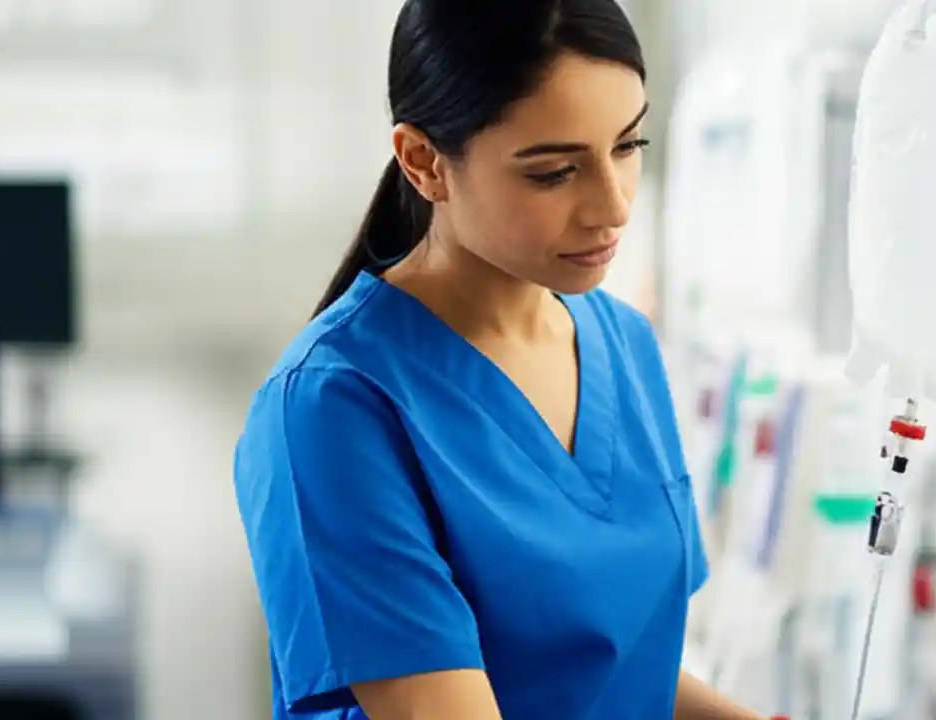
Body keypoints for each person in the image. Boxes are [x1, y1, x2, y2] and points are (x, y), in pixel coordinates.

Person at [233, 2, 769, 718]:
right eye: (554, 173)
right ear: (424, 162)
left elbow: (619, 674)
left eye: (628, 146)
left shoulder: (623, 343)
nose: (611, 206)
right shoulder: (334, 406)